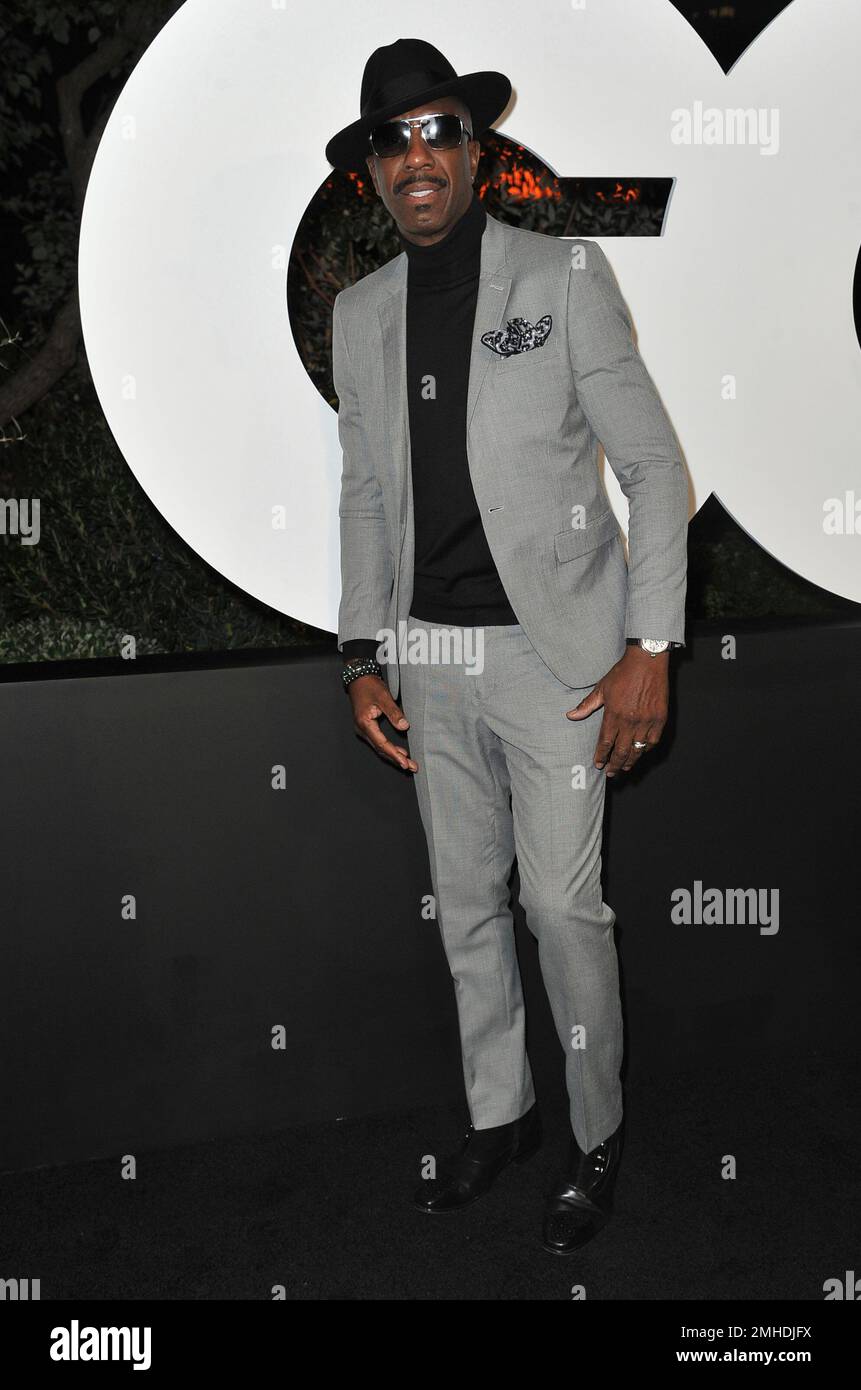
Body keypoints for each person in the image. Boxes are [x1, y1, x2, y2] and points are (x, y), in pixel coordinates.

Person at [325, 38, 687, 1254]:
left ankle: (596, 1135)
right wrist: (361, 650)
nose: (417, 156)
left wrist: (652, 643)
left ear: (474, 152)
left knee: (562, 907)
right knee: (467, 906)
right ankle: (502, 1116)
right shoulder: (359, 313)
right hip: (430, 657)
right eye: (394, 140)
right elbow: (368, 496)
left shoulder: (562, 274)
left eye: (437, 131)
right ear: (374, 170)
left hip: (558, 661)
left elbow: (653, 467)